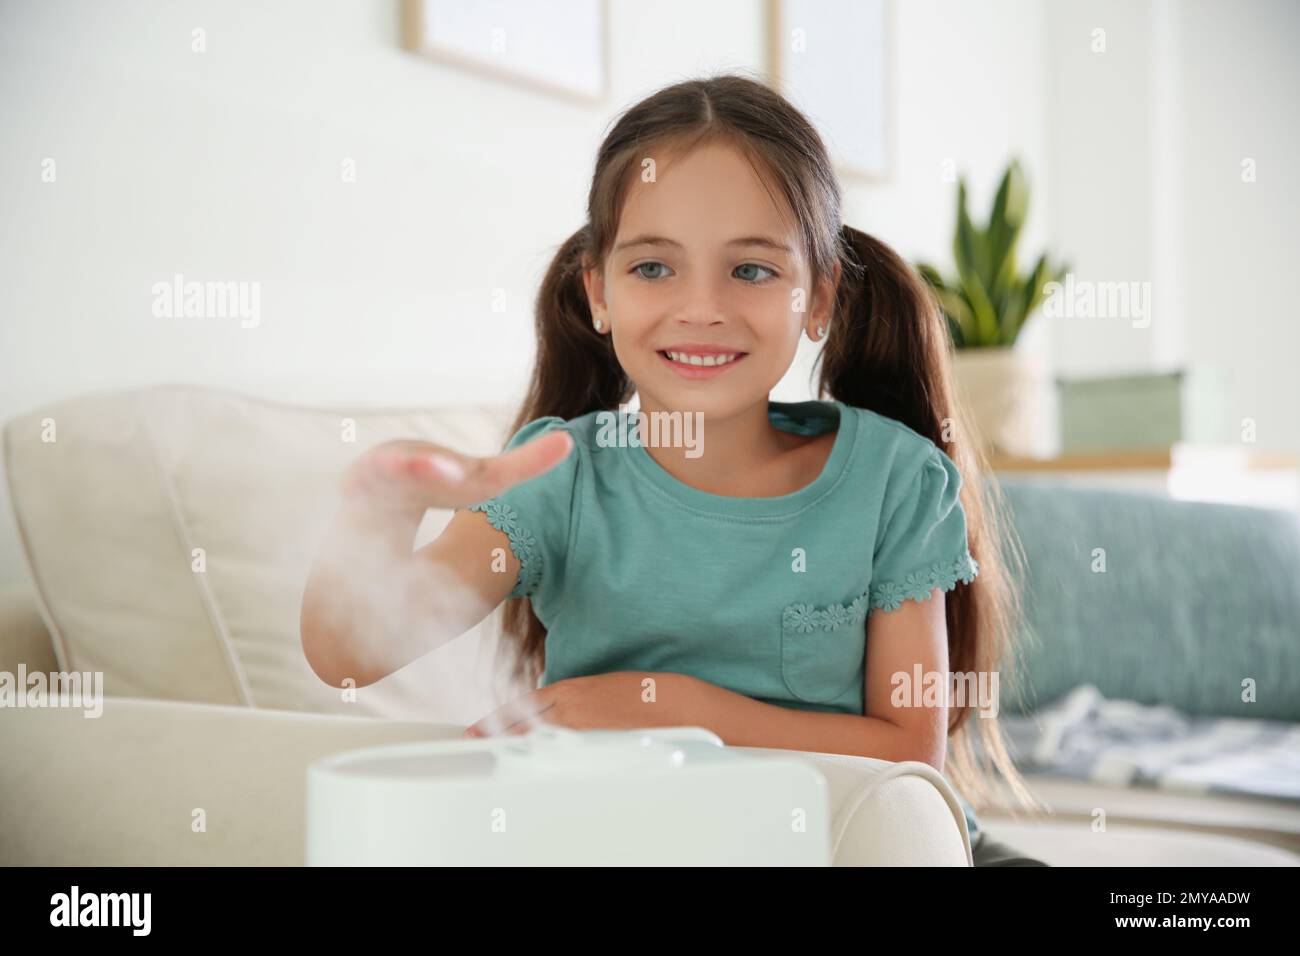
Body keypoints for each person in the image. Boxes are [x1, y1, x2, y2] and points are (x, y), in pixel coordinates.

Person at [302, 73, 1048, 867]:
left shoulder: (893, 480)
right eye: (653, 268)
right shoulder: (558, 478)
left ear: (820, 297)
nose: (701, 308)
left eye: (752, 270)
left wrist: (665, 706)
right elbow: (350, 654)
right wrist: (377, 510)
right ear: (598, 292)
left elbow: (906, 755)